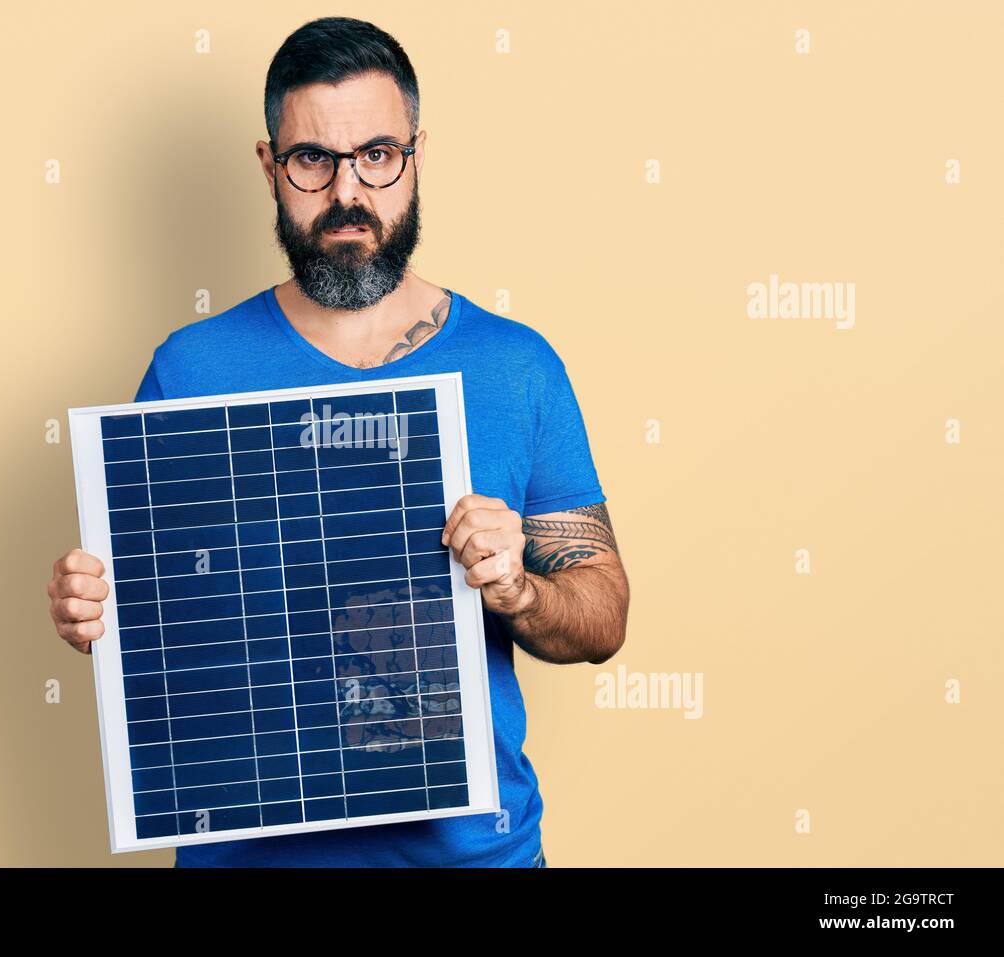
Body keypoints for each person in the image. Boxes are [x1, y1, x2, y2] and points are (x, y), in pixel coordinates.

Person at [47, 16, 630, 867]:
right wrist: (90, 606)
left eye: (378, 155)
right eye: (313, 159)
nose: (347, 192)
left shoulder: (516, 366)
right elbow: (152, 618)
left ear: (417, 156)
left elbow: (606, 612)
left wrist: (521, 594)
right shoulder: (191, 369)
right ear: (270, 167)